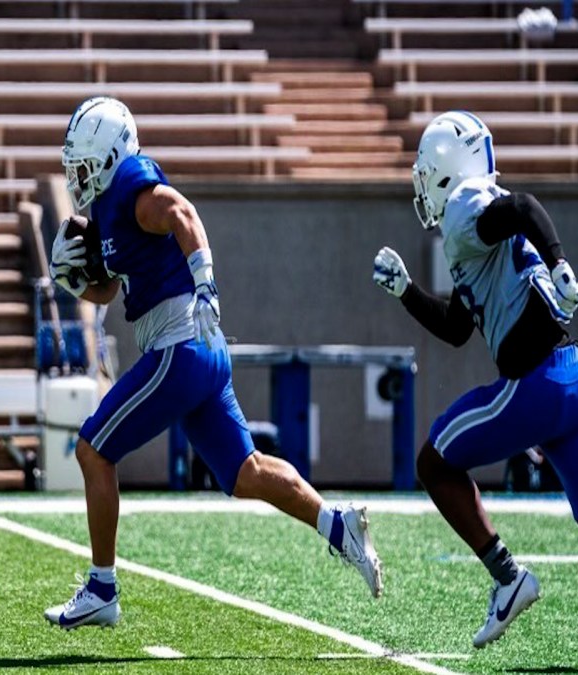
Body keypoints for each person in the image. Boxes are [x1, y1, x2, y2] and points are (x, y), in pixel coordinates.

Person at [373, 110, 578, 673]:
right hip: (571, 378)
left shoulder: (464, 208)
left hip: (534, 385)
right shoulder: (474, 225)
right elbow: (460, 326)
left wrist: (558, 261)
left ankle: (508, 577)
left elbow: (524, 206)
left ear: (443, 171)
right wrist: (408, 291)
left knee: (433, 463)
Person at [43, 97, 383, 629]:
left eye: (84, 165)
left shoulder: (134, 186)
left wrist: (206, 282)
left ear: (111, 157)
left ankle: (102, 588)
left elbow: (183, 213)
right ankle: (334, 522)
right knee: (245, 471)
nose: (77, 177)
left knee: (92, 450)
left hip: (178, 344)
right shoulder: (111, 209)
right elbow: (112, 290)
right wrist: (77, 282)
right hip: (201, 349)